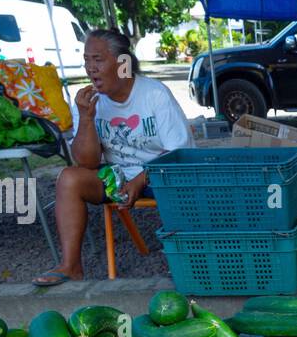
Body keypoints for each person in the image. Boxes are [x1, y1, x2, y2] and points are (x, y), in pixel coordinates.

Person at [33, 28, 191, 286]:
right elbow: (87, 163)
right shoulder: (89, 102)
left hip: (162, 174)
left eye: (98, 59)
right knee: (69, 178)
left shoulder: (154, 94)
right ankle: (70, 266)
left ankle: (189, 264)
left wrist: (141, 179)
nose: (90, 68)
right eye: (86, 60)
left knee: (176, 180)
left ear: (123, 64)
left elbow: (178, 152)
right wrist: (85, 118)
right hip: (116, 177)